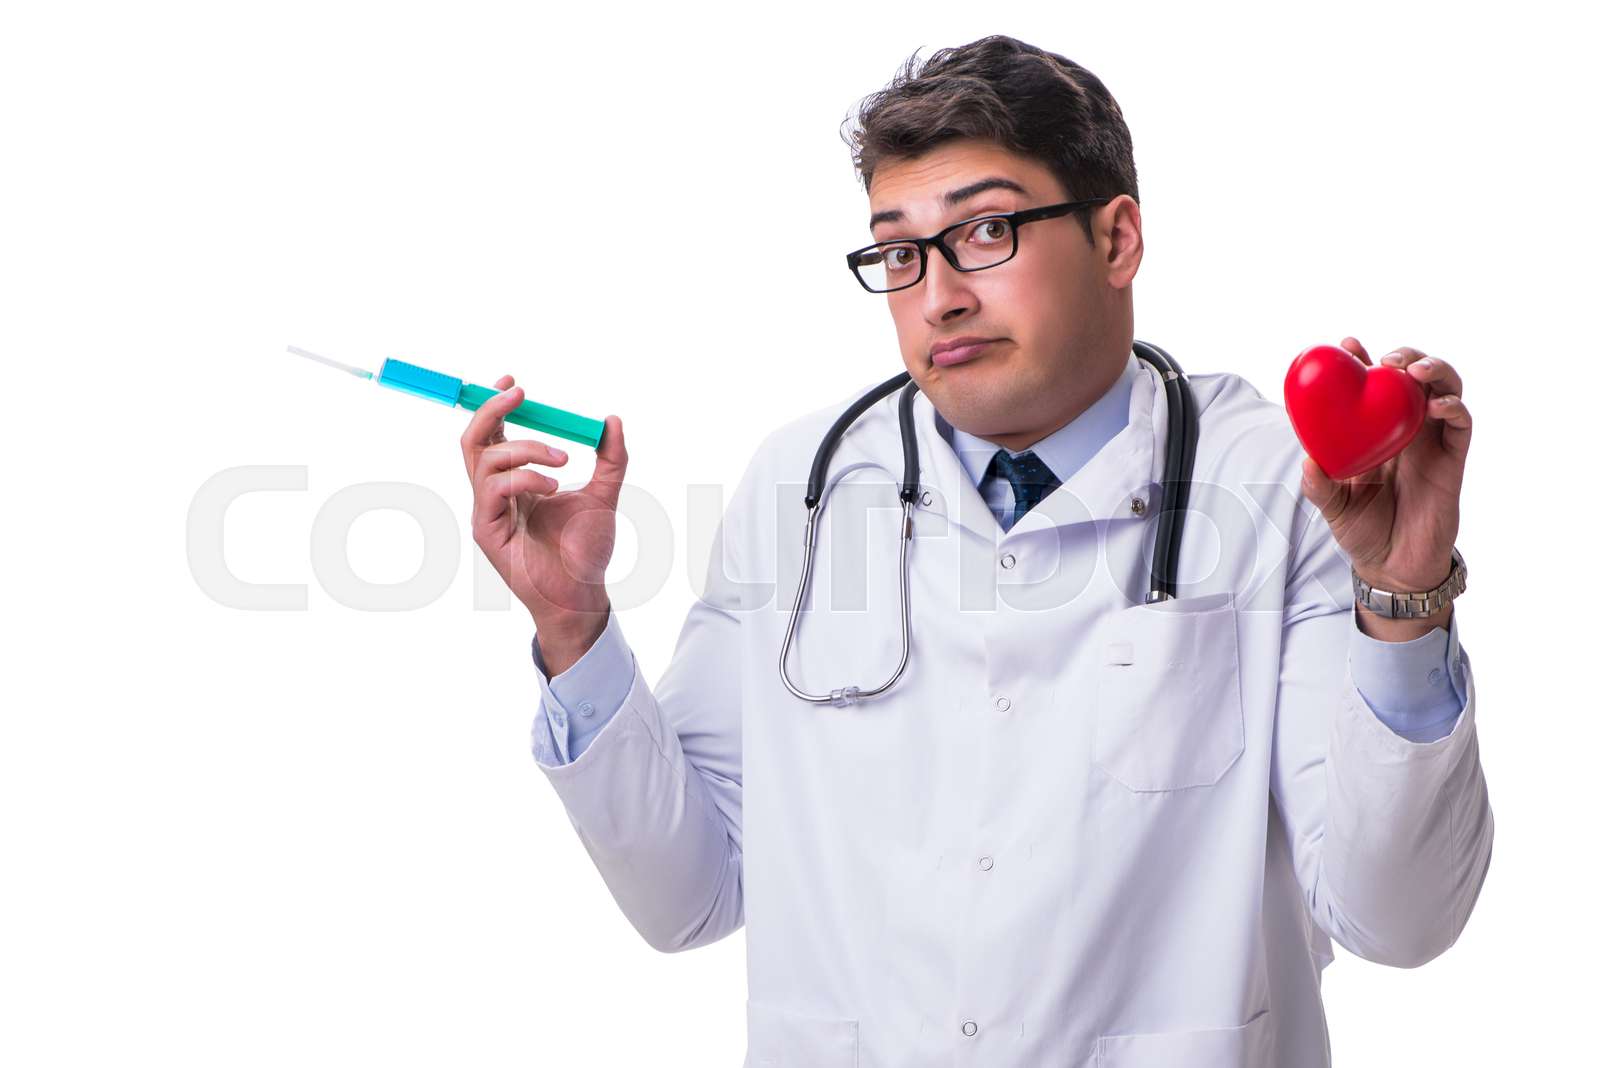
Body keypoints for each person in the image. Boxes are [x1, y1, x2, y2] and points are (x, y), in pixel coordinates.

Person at [460, 34, 1491, 1067]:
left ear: (1116, 238)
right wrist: (574, 625)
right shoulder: (801, 487)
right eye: (900, 253)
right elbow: (685, 894)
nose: (938, 296)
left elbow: (1398, 921)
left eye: (986, 231)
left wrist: (1401, 598)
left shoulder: (1281, 484)